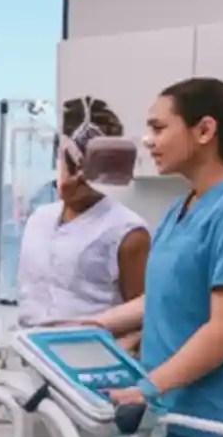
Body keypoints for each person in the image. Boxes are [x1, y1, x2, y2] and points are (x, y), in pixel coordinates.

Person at [90, 77, 223, 437]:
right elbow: (165, 298)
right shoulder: (179, 210)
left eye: (157, 126)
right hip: (167, 419)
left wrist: (149, 385)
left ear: (204, 130)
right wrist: (95, 326)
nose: (146, 139)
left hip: (209, 428)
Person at [18, 97, 150, 334]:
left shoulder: (127, 232)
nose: (78, 181)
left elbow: (142, 317)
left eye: (89, 173)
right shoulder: (39, 219)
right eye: (71, 166)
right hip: (30, 349)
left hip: (89, 354)